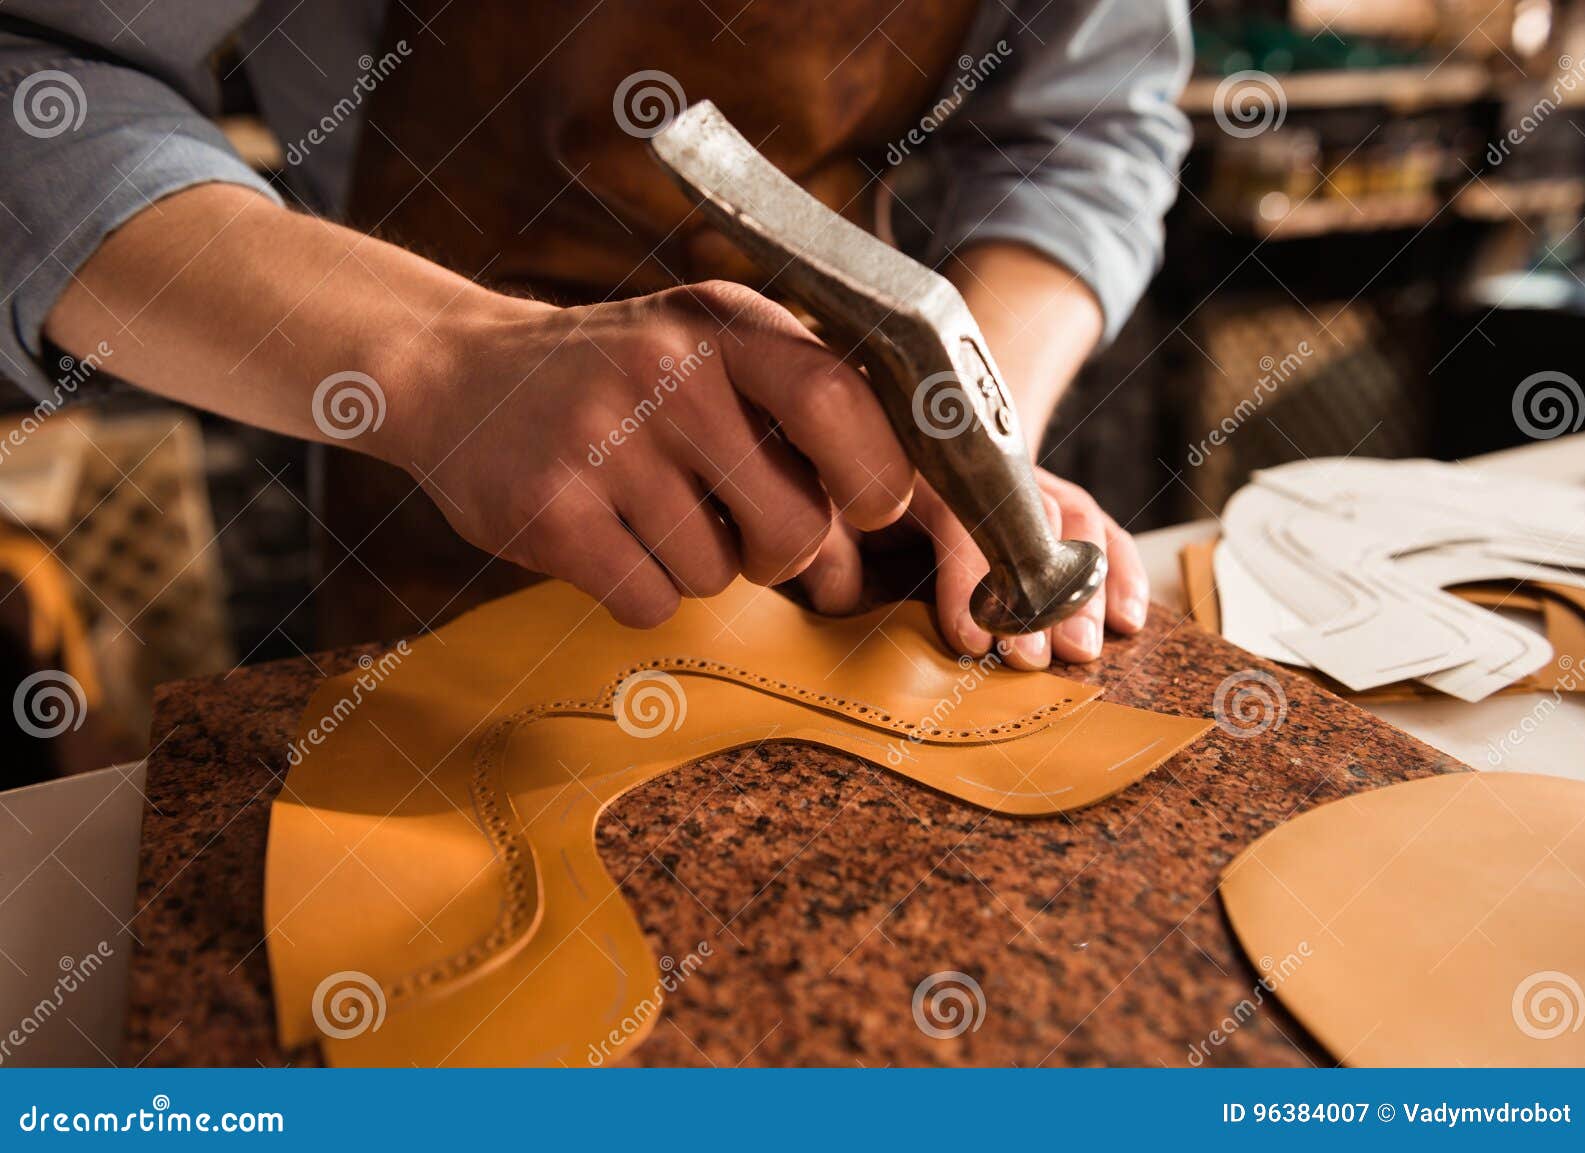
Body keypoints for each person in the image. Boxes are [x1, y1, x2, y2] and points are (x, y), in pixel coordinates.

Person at [0, 1, 1190, 670]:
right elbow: (37, 78)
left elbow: (1084, 126)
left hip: (852, 556)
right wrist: (437, 360)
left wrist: (968, 433)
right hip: (423, 534)